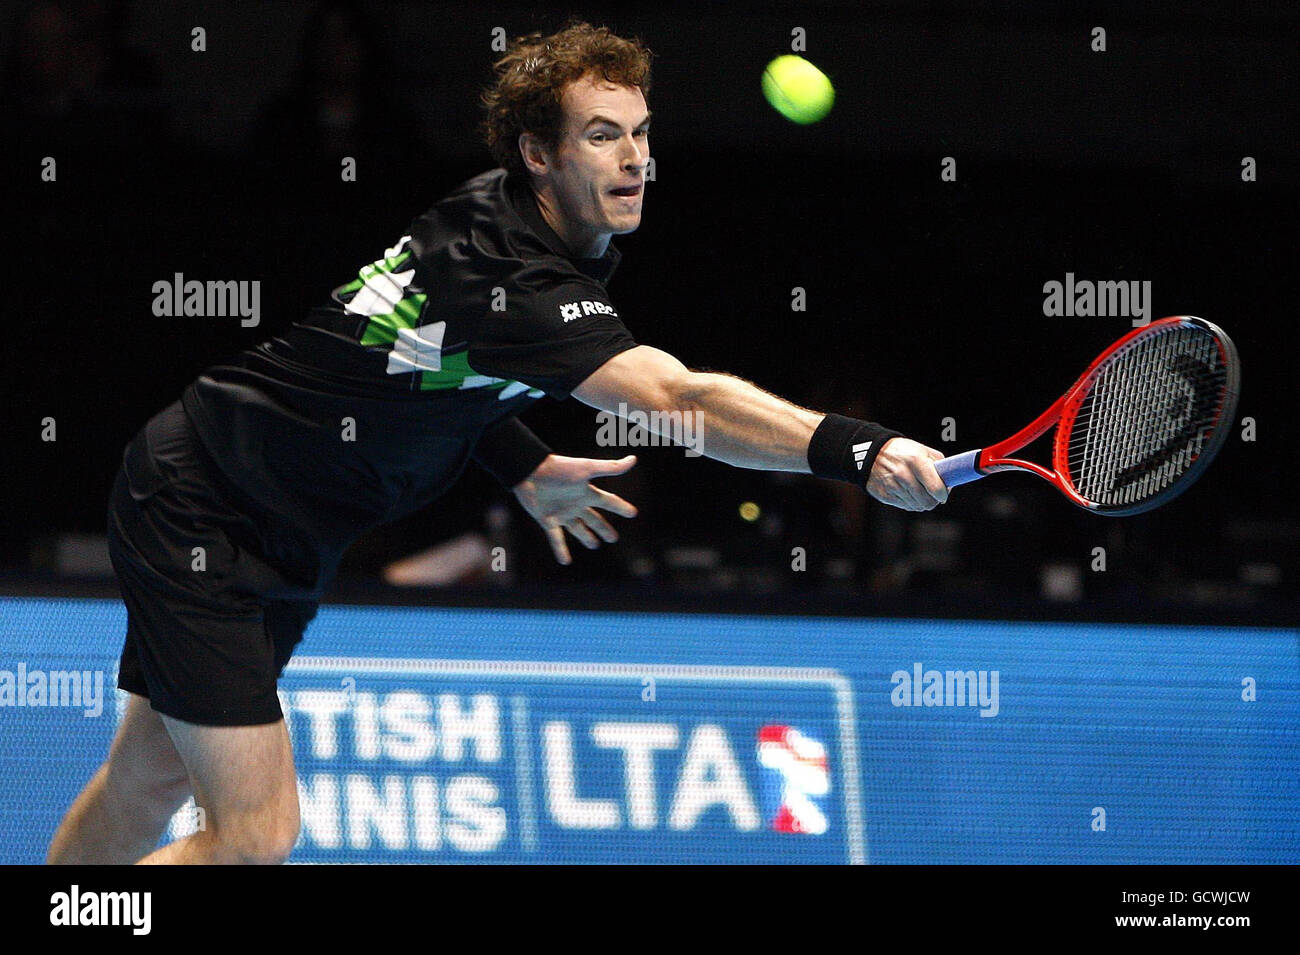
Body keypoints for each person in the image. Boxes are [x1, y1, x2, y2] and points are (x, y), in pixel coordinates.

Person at [47, 20, 947, 865]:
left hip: (254, 511)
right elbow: (679, 399)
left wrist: (523, 461)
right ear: (538, 154)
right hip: (206, 508)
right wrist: (856, 448)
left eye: (640, 133)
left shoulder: (508, 221)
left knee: (149, 777)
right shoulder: (515, 273)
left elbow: (436, 362)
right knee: (253, 837)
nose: (636, 159)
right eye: (602, 136)